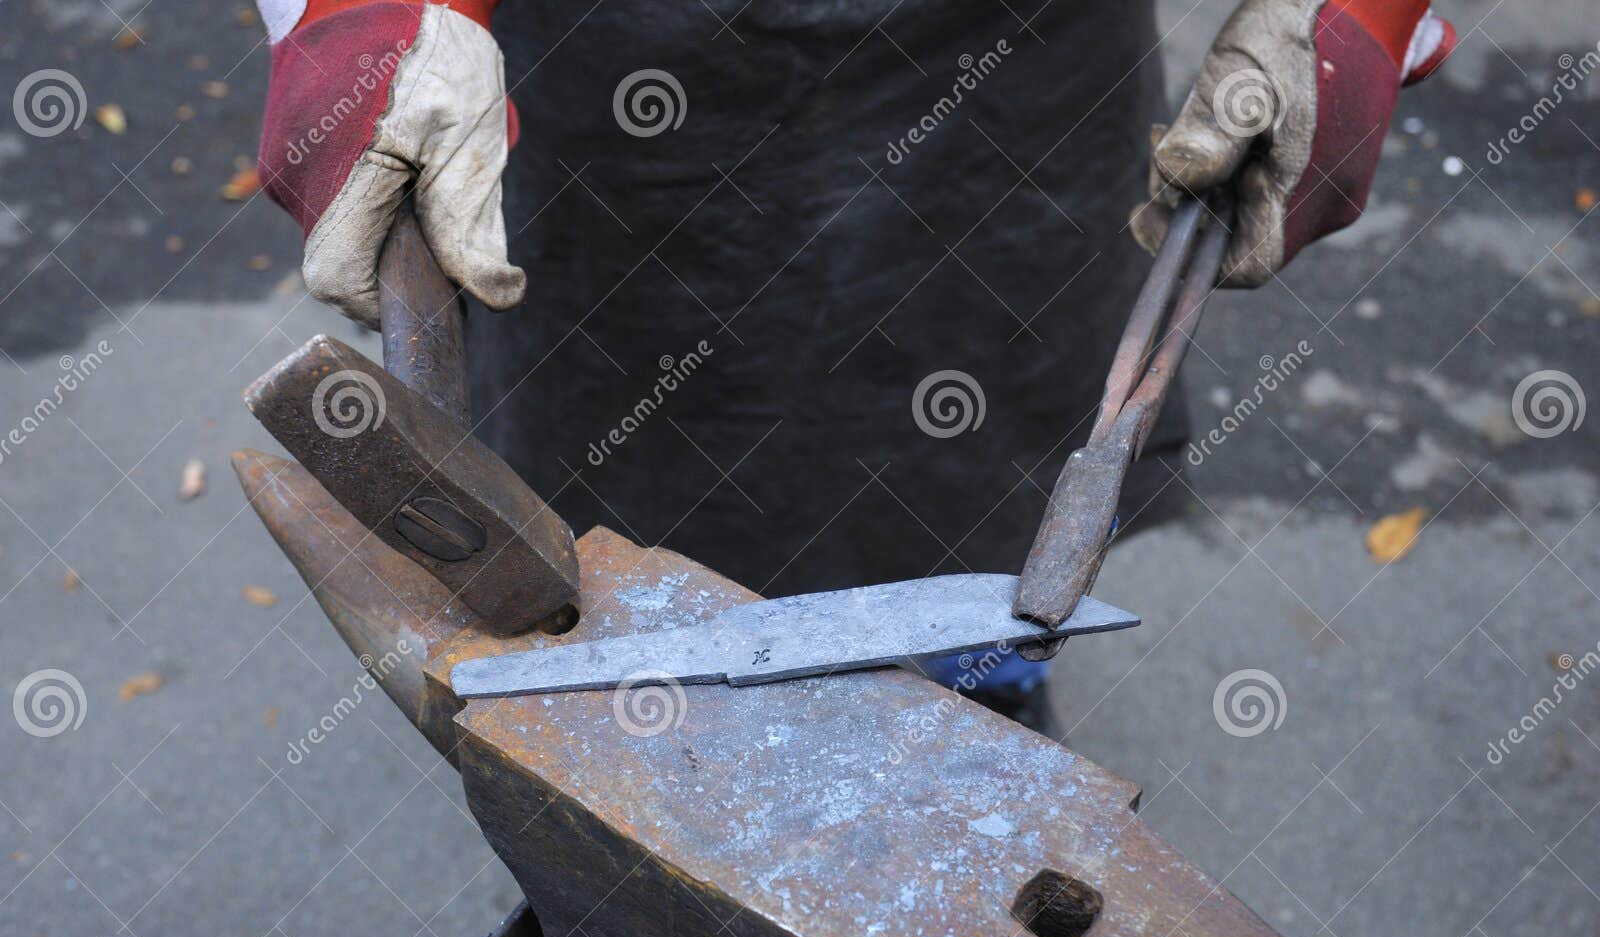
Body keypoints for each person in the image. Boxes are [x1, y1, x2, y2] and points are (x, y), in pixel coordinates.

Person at [252, 0, 1452, 731]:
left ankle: (982, 695)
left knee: (978, 436)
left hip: (1012, 64)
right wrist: (380, 10)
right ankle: (630, 732)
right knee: (618, 458)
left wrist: (1354, 14)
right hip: (604, 68)